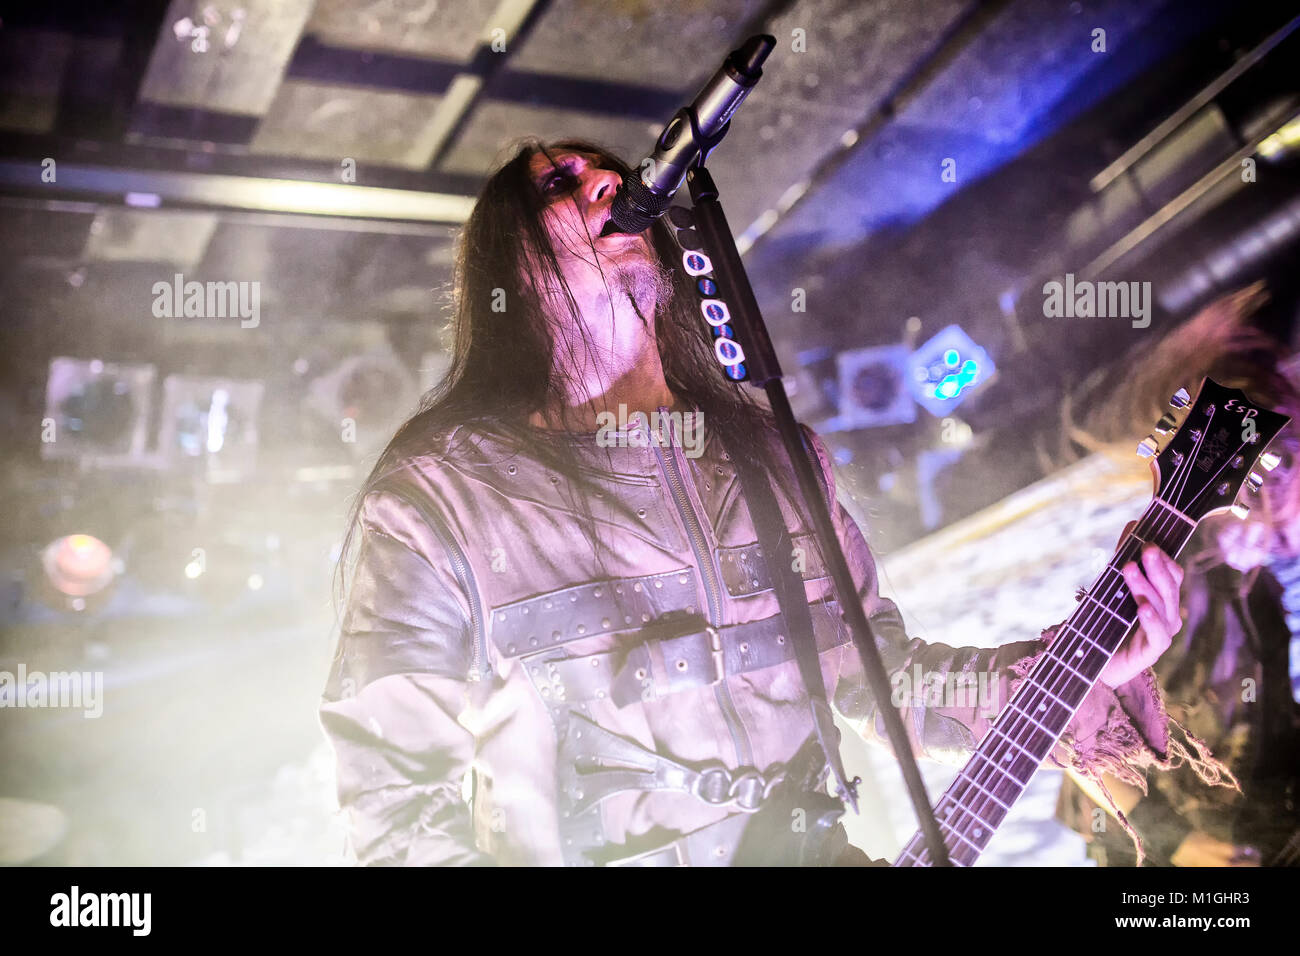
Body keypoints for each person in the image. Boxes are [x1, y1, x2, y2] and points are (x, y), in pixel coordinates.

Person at [318, 139, 1195, 866]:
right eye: (561, 183)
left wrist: (1079, 669)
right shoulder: (438, 499)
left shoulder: (777, 455)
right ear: (508, 266)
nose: (610, 184)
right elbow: (399, 816)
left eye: (610, 173)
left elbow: (884, 681)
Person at [1054, 283, 1300, 866]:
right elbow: (1067, 724)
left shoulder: (1261, 579)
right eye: (1283, 457)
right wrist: (1175, 843)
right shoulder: (1166, 574)